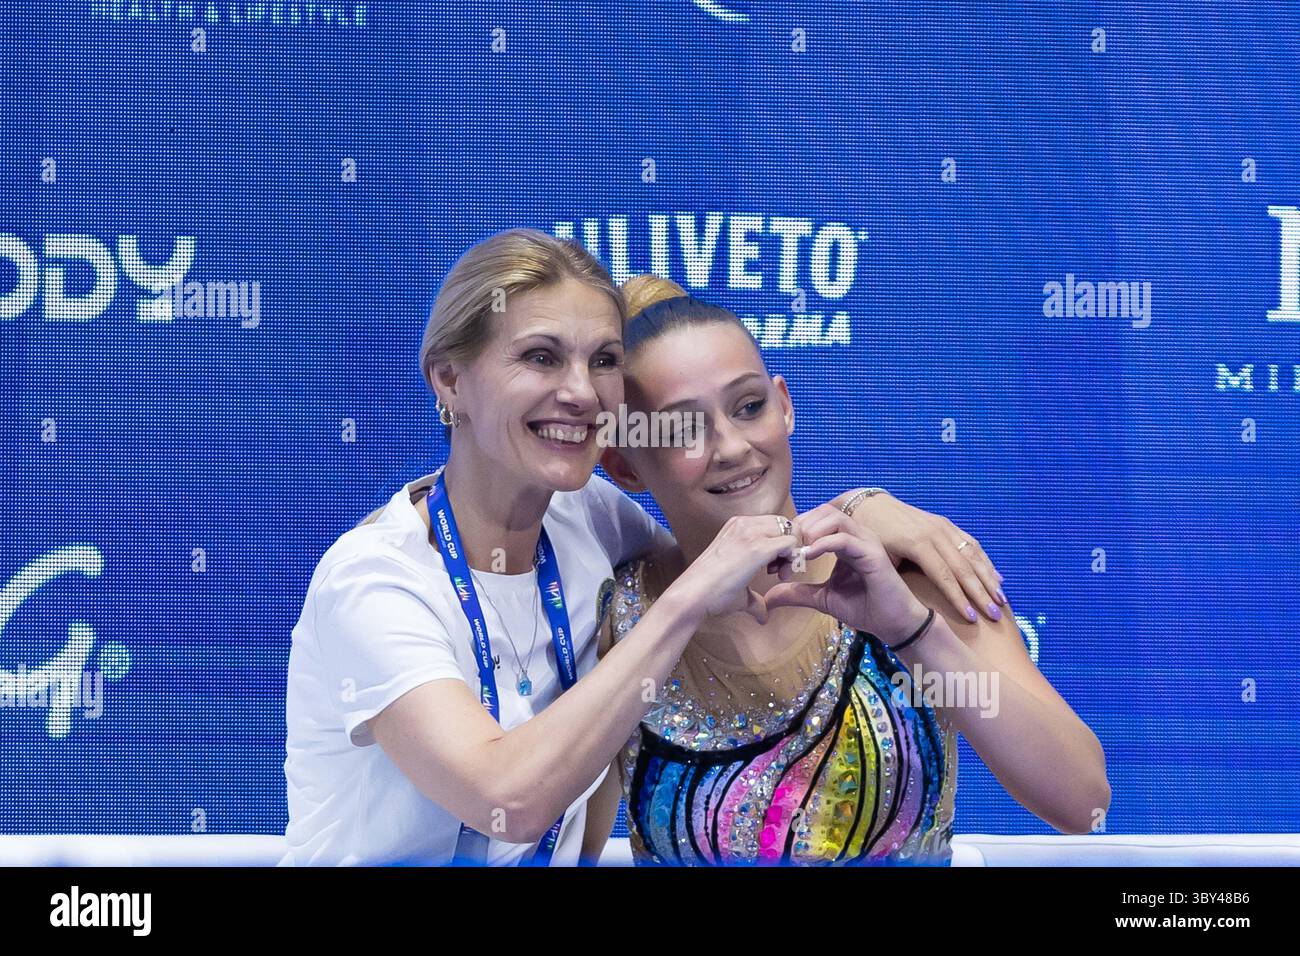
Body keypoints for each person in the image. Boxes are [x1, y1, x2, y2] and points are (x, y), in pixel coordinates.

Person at [280, 228, 1008, 866]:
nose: (580, 392)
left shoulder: (589, 518)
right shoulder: (376, 580)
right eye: (539, 357)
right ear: (449, 380)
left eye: (601, 361)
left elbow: (736, 545)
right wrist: (687, 602)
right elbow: (505, 796)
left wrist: (864, 509)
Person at [587, 277, 1111, 865]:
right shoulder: (615, 617)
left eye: (749, 406)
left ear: (785, 405)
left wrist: (913, 630)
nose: (731, 446)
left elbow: (1082, 801)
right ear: (623, 465)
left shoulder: (912, 571)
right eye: (684, 428)